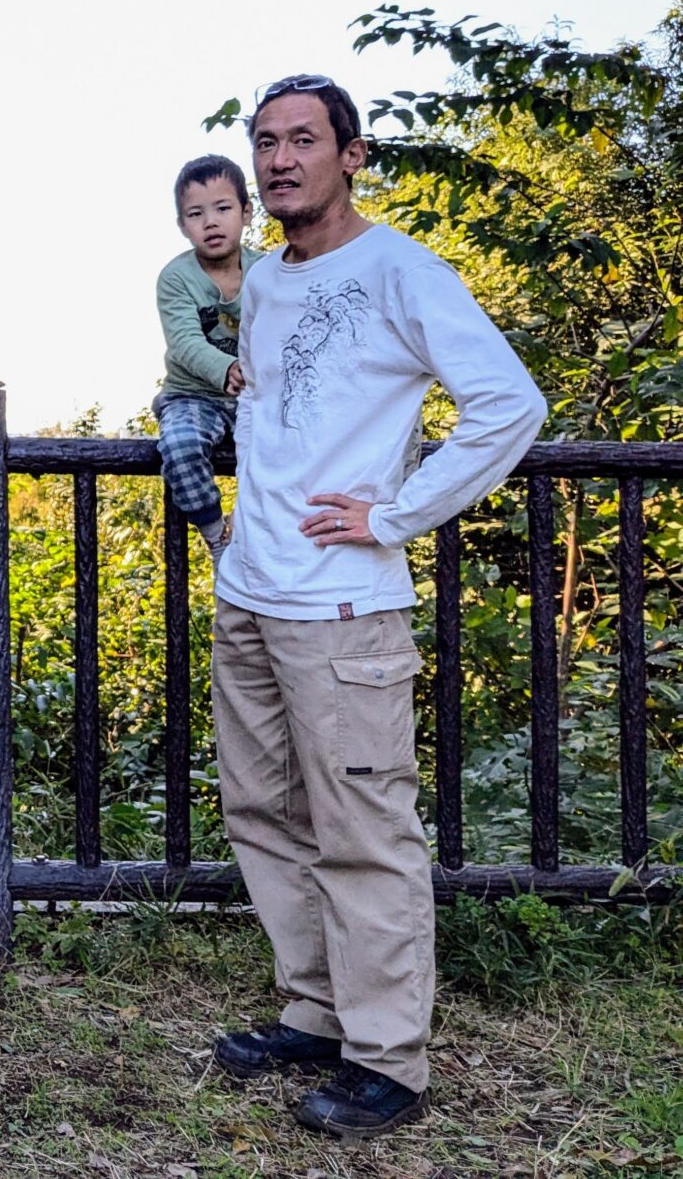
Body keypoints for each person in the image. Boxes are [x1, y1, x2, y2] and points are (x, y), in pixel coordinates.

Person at [209, 75, 546, 1139]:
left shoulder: (402, 270)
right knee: (263, 813)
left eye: (301, 140)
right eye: (263, 142)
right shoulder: (261, 279)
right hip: (248, 593)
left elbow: (509, 405)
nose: (276, 161)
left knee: (361, 832)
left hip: (343, 609)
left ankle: (387, 1059)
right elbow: (271, 414)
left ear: (349, 155)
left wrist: (394, 513)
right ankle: (314, 1013)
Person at [153, 154, 263, 563]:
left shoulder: (268, 270)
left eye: (223, 208)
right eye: (196, 214)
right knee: (180, 447)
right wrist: (226, 369)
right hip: (192, 395)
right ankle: (217, 536)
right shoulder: (176, 278)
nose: (211, 222)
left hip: (257, 394)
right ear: (183, 225)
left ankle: (256, 528)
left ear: (246, 213)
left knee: (295, 446)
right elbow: (184, 342)